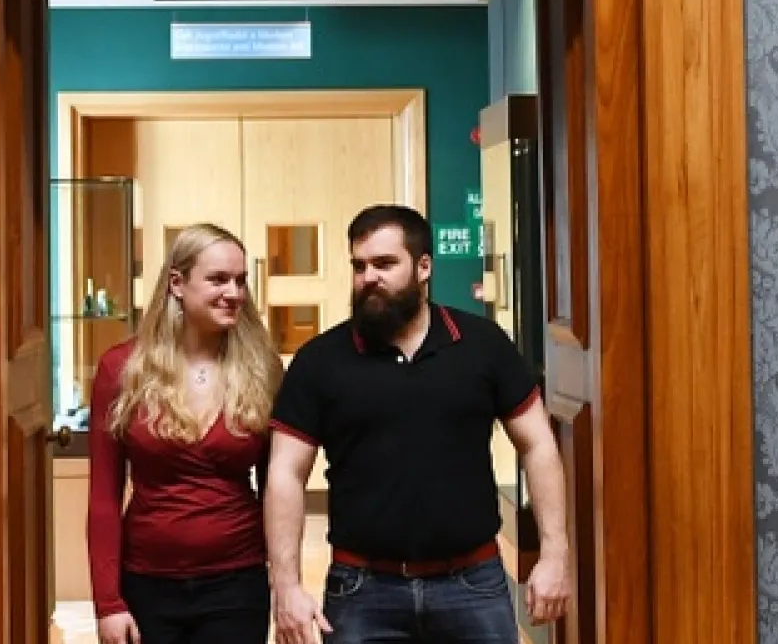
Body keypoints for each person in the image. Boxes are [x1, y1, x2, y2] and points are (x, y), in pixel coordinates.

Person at [265, 204, 572, 644]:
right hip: (361, 591)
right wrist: (287, 586)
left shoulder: (482, 345)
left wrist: (555, 553)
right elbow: (285, 473)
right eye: (359, 265)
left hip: (473, 585)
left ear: (424, 266)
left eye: (385, 263)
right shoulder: (321, 360)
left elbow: (539, 444)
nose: (369, 276)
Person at [86, 224, 285, 644]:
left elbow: (276, 486)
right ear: (177, 283)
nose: (233, 292)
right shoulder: (121, 369)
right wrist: (108, 604)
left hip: (236, 583)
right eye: (218, 279)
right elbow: (103, 497)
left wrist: (285, 582)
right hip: (146, 583)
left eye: (240, 280)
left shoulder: (262, 369)